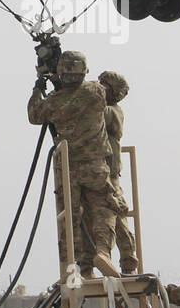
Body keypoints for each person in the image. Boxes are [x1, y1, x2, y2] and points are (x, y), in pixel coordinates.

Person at [28, 51, 126, 279]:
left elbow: (34, 115)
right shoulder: (95, 92)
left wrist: (38, 88)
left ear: (62, 72)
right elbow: (112, 90)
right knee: (103, 209)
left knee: (71, 218)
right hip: (96, 165)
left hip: (68, 168)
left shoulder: (54, 102)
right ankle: (103, 252)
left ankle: (77, 267)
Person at [98, 70, 137, 274]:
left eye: (104, 86)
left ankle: (128, 262)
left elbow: (97, 113)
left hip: (109, 174)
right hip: (94, 172)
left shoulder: (113, 111)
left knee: (118, 215)